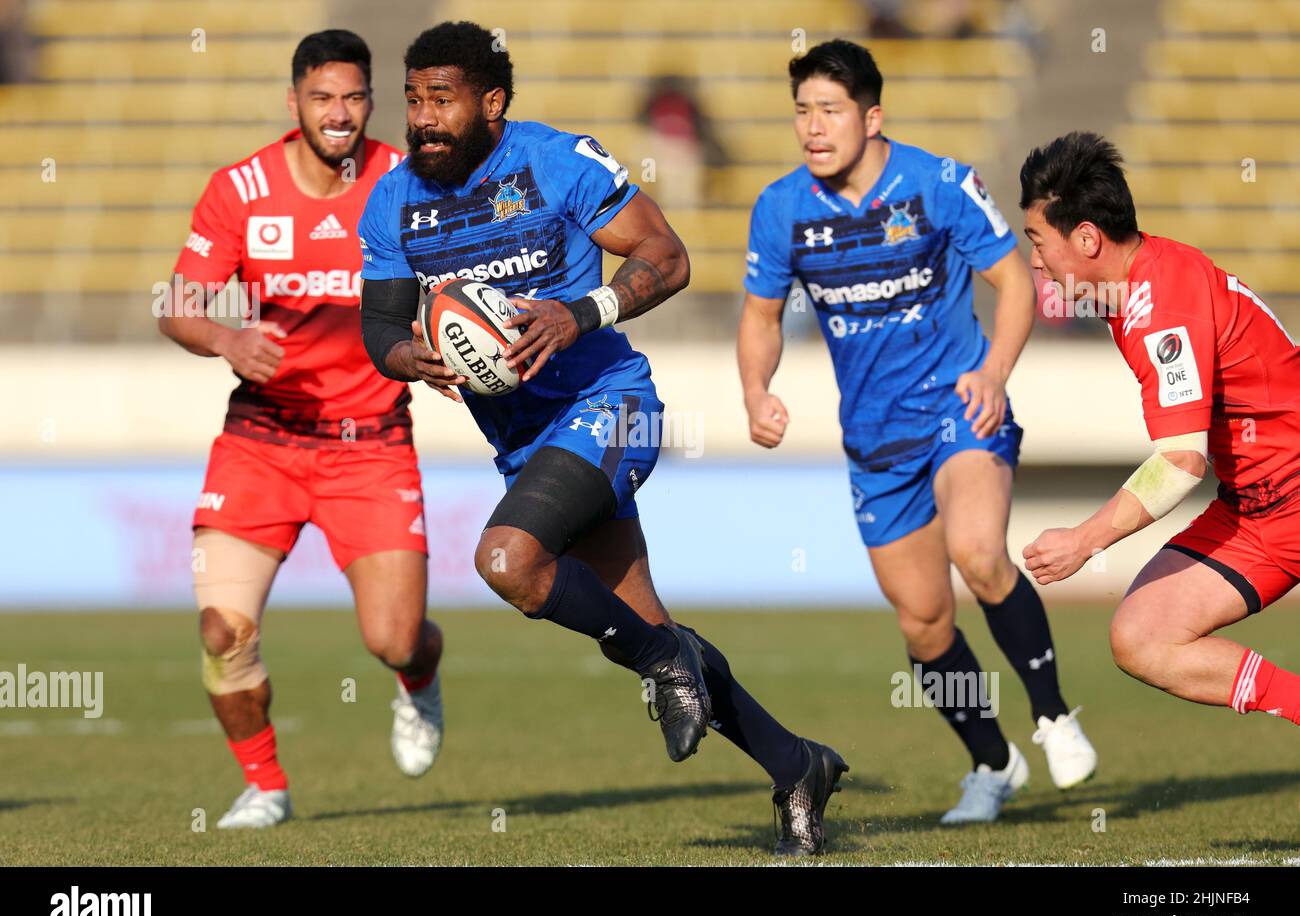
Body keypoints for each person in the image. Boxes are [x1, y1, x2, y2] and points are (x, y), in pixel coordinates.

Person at [358, 20, 846, 856]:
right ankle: (798, 763)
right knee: (645, 622)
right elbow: (380, 327)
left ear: (492, 102)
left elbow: (668, 255)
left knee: (507, 560)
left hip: (611, 404)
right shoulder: (394, 199)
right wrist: (415, 357)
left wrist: (577, 312)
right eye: (412, 100)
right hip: (529, 441)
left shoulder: (556, 163)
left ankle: (667, 667)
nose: (423, 117)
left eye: (442, 99)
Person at [737, 39, 1097, 824]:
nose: (812, 127)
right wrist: (755, 388)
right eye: (802, 111)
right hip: (875, 441)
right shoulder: (782, 208)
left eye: (829, 110)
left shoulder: (936, 184)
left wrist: (995, 372)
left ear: (872, 116)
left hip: (958, 409)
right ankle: (993, 763)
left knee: (977, 552)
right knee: (925, 622)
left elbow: (1013, 283)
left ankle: (1053, 714)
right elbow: (761, 317)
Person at [160, 30, 445, 830]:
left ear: (371, 105)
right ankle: (266, 786)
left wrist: (447, 349)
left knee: (393, 640)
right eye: (323, 98)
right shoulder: (241, 188)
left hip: (372, 444)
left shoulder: (406, 181)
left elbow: (455, 291)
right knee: (223, 630)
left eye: (354, 98)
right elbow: (178, 305)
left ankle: (419, 679)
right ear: (295, 105)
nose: (339, 113)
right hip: (262, 441)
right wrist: (227, 339)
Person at [1020, 132, 1300, 736]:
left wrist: (1085, 540)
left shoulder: (1161, 304)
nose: (1036, 261)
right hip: (1256, 511)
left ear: (1087, 237)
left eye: (1039, 241)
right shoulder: (1134, 287)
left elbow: (1179, 463)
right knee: (1143, 637)